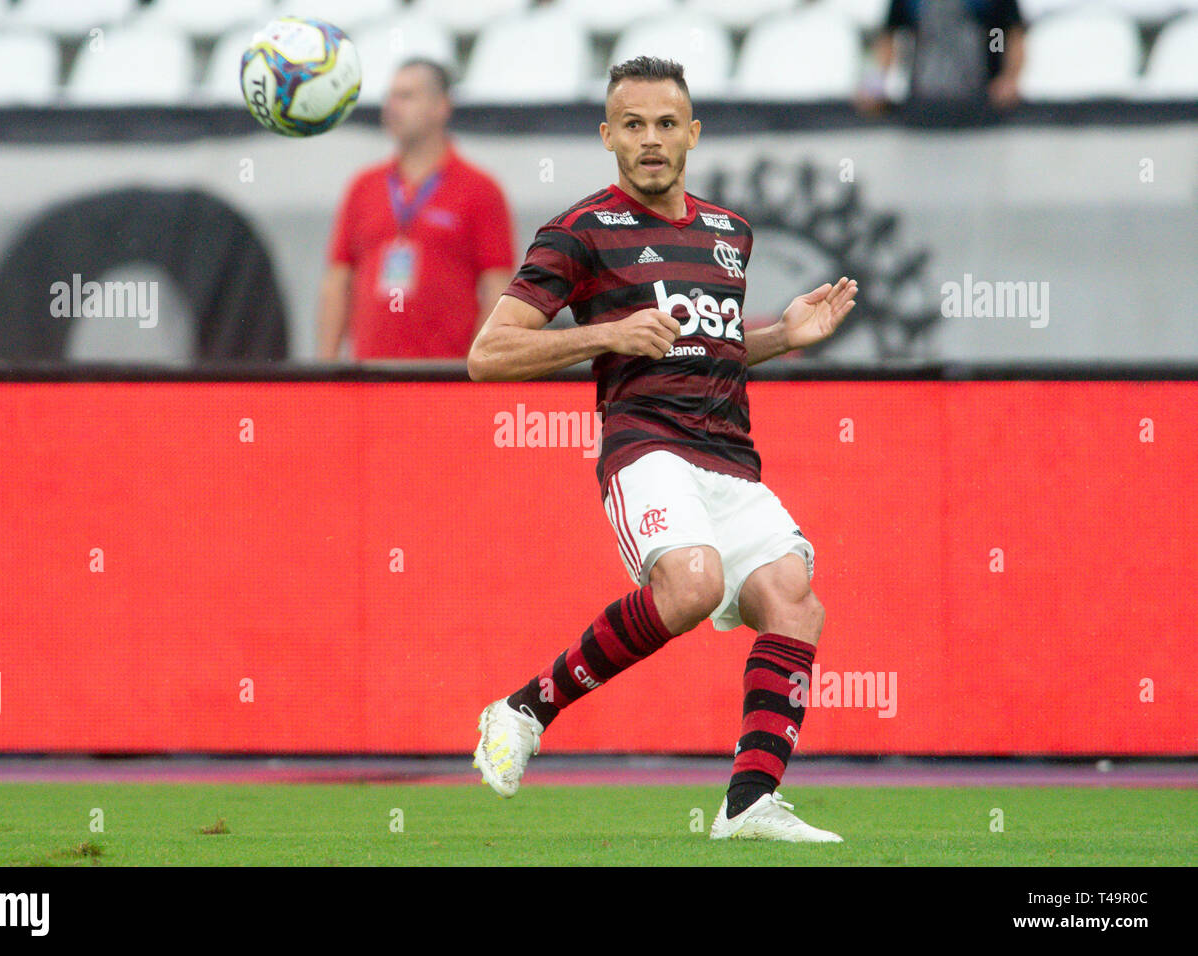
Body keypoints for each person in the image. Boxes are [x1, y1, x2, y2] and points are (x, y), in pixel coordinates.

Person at [468, 57, 858, 842]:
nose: (652, 140)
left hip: (731, 457)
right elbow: (488, 352)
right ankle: (525, 710)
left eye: (667, 124)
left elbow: (708, 350)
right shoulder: (579, 232)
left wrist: (785, 335)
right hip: (646, 448)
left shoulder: (728, 234)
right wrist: (607, 333)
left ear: (693, 134)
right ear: (608, 135)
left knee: (795, 600)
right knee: (690, 582)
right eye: (635, 125)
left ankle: (748, 806)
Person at [318, 58, 515, 360]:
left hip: (444, 379)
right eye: (390, 96)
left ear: (441, 107)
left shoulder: (480, 189)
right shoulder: (363, 186)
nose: (392, 106)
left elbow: (497, 287)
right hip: (370, 377)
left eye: (406, 96)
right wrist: (326, 366)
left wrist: (478, 371)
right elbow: (338, 280)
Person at [859, 0, 1026, 113]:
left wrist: (1009, 80)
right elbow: (889, 37)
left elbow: (1013, 35)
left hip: (983, 105)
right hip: (923, 104)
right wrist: (876, 85)